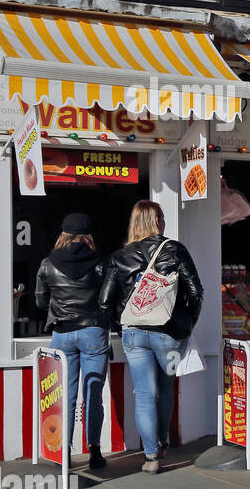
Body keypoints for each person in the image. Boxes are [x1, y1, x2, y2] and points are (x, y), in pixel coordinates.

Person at [100, 201, 203, 474]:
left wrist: (122, 328)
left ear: (134, 223)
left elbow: (104, 303)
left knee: (144, 394)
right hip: (168, 335)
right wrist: (187, 325)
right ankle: (163, 441)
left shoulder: (120, 257)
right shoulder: (174, 249)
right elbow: (195, 292)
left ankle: (151, 456)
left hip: (133, 334)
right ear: (159, 221)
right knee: (166, 388)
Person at [34, 213, 110, 470]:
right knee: (93, 392)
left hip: (62, 333)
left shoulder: (47, 263)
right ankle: (96, 452)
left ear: (63, 234)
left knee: (63, 395)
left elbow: (40, 302)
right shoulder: (100, 263)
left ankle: (62, 452)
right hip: (93, 331)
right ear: (88, 236)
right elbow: (107, 299)